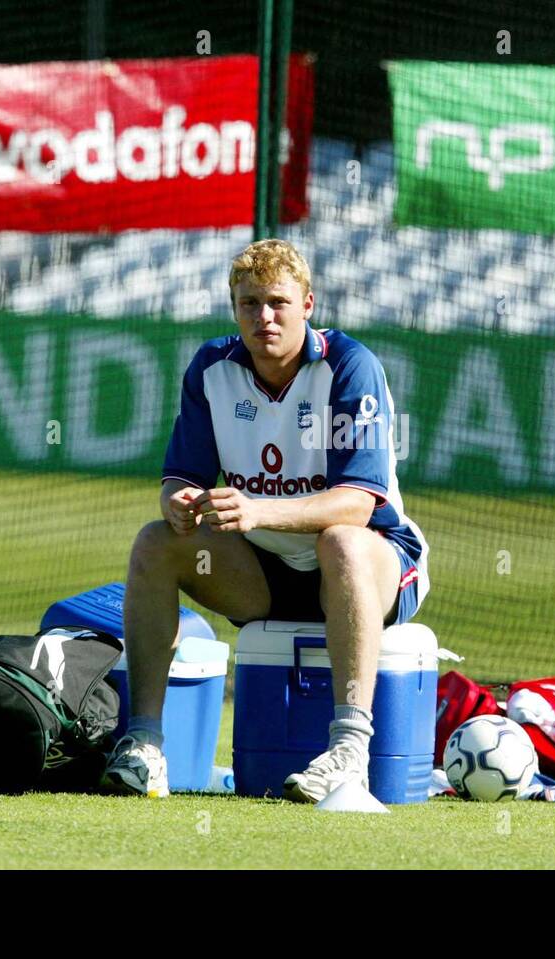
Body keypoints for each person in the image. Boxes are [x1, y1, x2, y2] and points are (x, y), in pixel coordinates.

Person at [104, 238, 429, 802]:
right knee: (155, 543)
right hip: (265, 573)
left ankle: (349, 754)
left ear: (308, 304)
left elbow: (358, 503)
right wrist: (177, 505)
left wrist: (256, 508)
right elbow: (181, 477)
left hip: (372, 566)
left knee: (342, 542)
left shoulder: (350, 368)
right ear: (234, 309)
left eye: (277, 301)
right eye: (249, 303)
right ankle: (145, 745)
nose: (264, 317)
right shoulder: (212, 368)